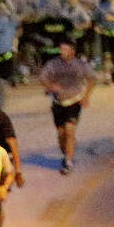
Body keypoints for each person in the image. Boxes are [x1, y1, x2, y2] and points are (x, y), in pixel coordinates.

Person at [38, 39, 96, 174]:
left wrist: (86, 97)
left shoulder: (80, 65)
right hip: (58, 103)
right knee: (61, 134)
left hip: (74, 101)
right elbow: (42, 77)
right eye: (61, 49)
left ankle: (68, 162)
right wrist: (50, 86)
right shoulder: (53, 64)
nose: (62, 52)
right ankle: (65, 154)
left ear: (72, 51)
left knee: (70, 131)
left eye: (65, 49)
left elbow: (92, 79)